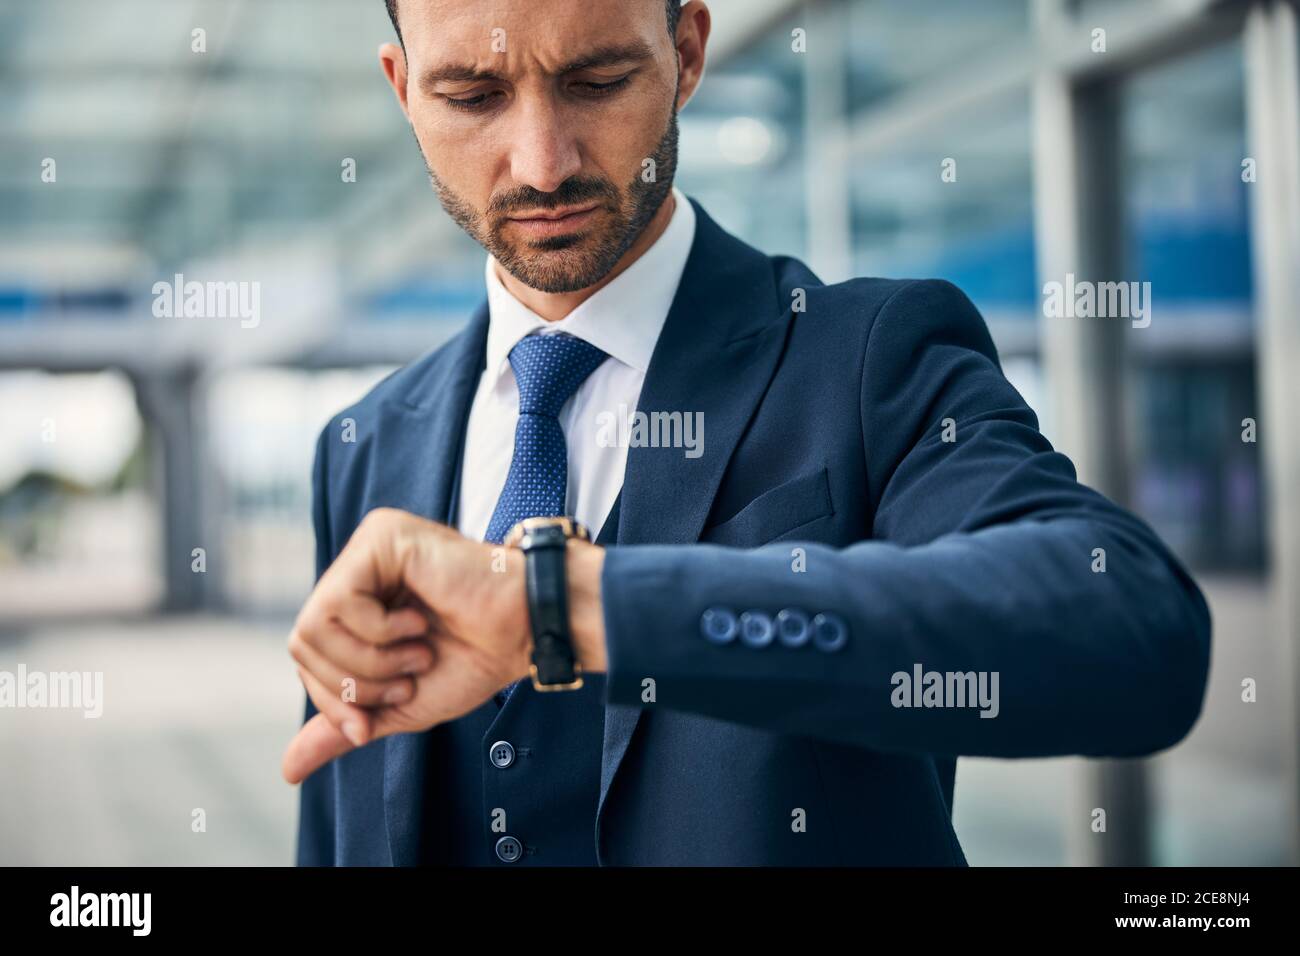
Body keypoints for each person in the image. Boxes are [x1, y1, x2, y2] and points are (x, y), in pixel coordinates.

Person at [283, 0, 1211, 866]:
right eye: (473, 96)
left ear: (686, 53)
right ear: (404, 90)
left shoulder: (866, 359)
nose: (542, 163)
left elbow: (1132, 635)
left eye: (598, 82)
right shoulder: (363, 444)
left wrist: (559, 607)